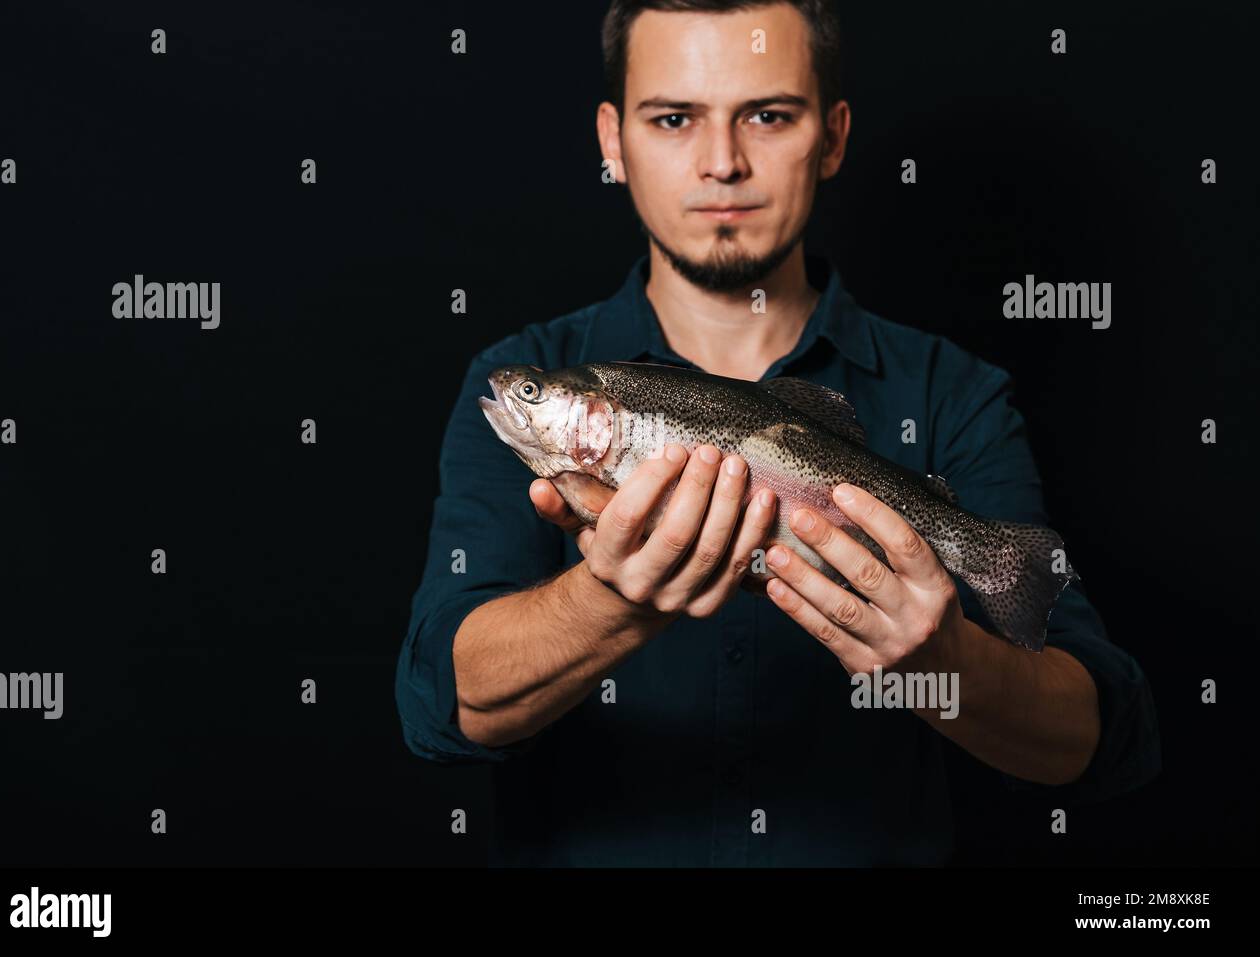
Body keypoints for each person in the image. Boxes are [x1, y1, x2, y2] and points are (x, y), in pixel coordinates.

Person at [396, 0, 1160, 866]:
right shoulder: (516, 367)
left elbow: (1100, 738)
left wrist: (945, 662)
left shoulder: (955, 392)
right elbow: (440, 706)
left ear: (832, 137)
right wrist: (609, 600)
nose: (722, 164)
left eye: (767, 115)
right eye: (675, 118)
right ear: (612, 142)